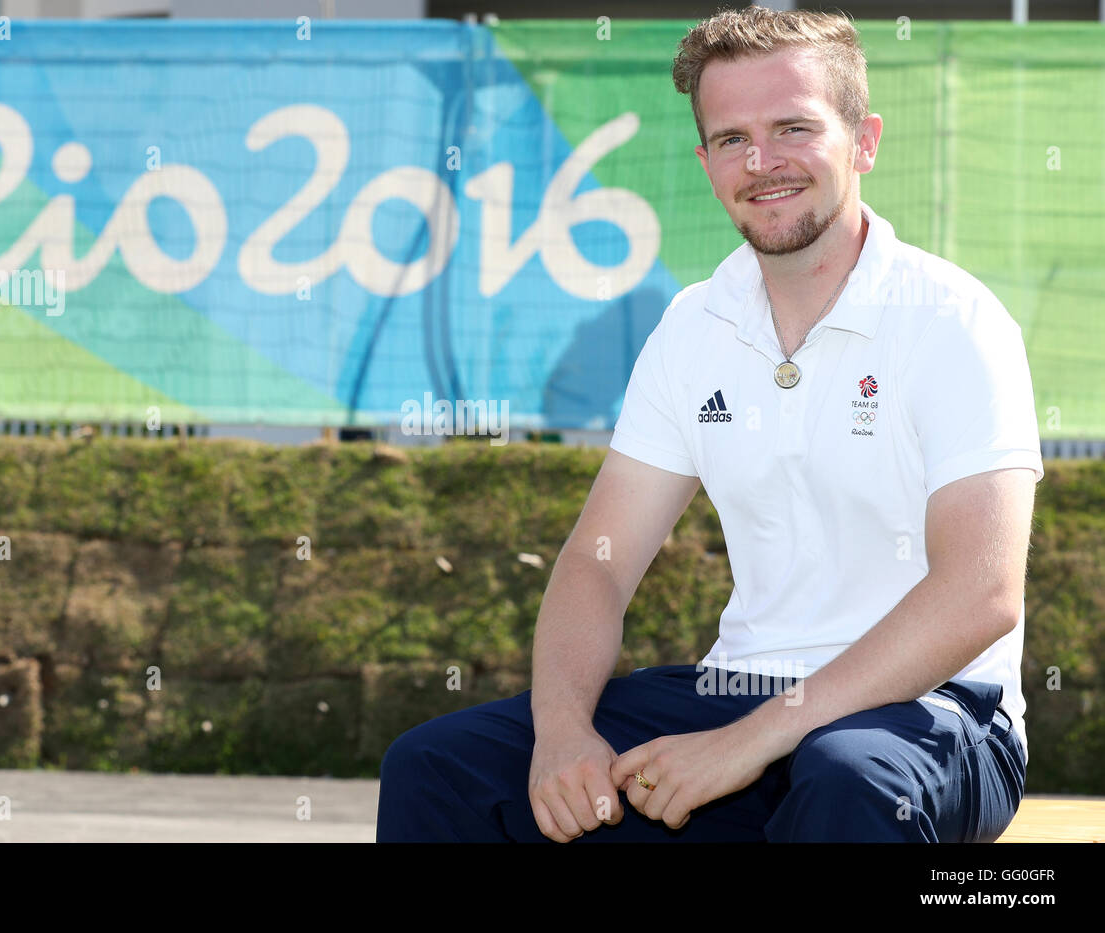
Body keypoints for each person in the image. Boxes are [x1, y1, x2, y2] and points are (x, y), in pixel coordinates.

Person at [375, 6, 1041, 843]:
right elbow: (595, 563)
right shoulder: (695, 326)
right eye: (731, 139)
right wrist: (563, 733)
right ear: (705, 160)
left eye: (793, 127)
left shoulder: (953, 321)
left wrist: (746, 746)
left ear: (865, 140)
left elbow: (979, 596)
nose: (762, 163)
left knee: (847, 776)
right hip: (740, 690)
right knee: (438, 764)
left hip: (937, 711)